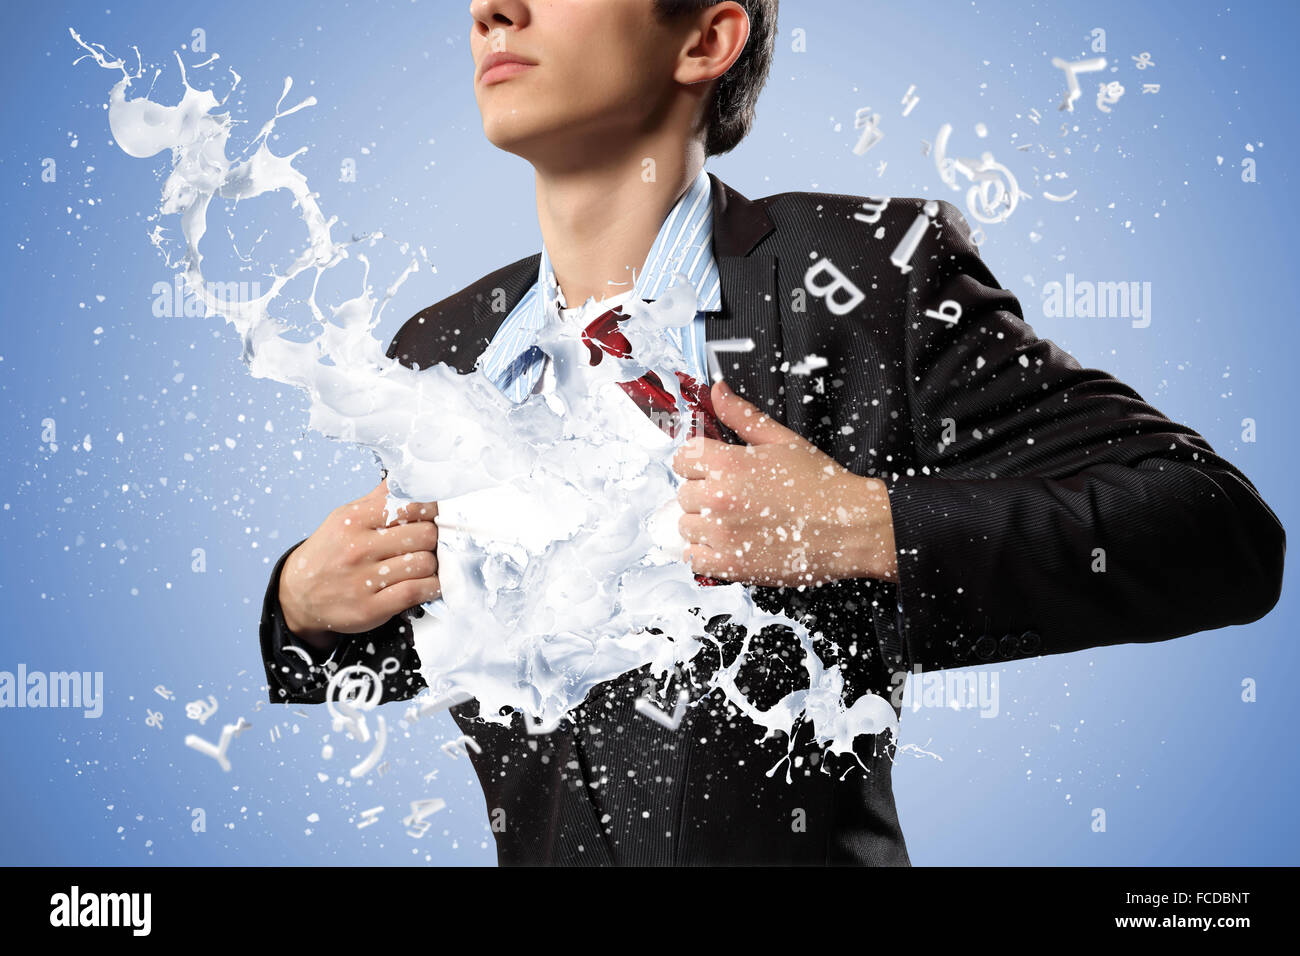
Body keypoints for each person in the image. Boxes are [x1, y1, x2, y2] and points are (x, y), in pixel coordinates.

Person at [259, 0, 1285, 865]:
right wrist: (300, 606)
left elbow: (1217, 529)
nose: (492, 8)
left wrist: (863, 523)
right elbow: (476, 635)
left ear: (705, 42)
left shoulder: (866, 275)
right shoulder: (444, 349)